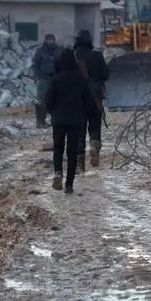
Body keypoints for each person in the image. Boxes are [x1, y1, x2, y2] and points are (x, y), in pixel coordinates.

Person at [44, 48, 94, 194]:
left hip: (58, 120)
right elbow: (88, 101)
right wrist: (82, 113)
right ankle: (69, 185)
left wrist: (52, 111)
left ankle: (58, 172)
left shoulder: (55, 79)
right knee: (72, 151)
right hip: (75, 120)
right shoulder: (81, 79)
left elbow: (48, 100)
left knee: (58, 148)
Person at [72, 29, 109, 170]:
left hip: (77, 98)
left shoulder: (71, 57)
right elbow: (105, 75)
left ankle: (80, 163)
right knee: (95, 125)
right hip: (95, 97)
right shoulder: (97, 55)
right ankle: (94, 144)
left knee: (79, 131)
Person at [31, 34, 59, 129]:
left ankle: (55, 120)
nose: (50, 41)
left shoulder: (57, 50)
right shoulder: (40, 51)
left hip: (55, 79)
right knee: (41, 100)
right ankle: (40, 122)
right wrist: (38, 76)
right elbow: (35, 65)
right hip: (44, 78)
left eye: (52, 40)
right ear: (45, 40)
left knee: (56, 100)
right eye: (48, 40)